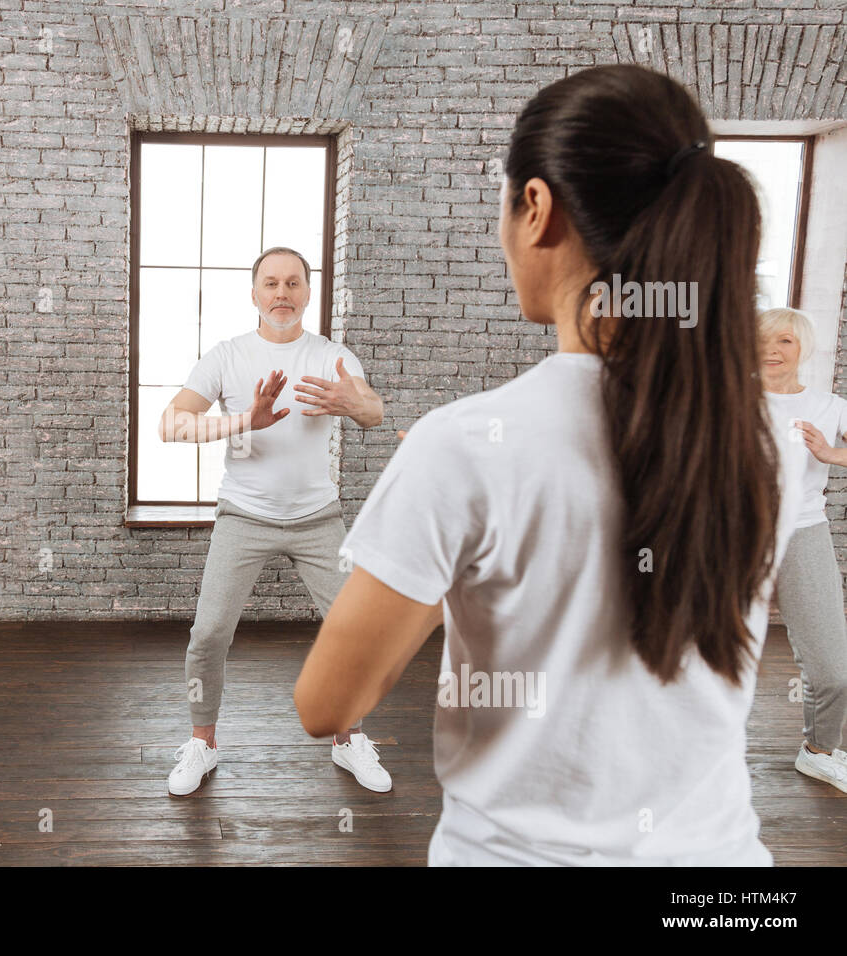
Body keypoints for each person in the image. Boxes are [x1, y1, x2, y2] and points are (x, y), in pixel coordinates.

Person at [295, 64, 805, 865]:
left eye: (503, 204)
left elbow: (327, 704)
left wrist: (443, 542)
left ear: (537, 209)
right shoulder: (763, 445)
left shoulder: (462, 446)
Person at [157, 246, 389, 796]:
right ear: (254, 293)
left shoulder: (334, 356)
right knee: (208, 633)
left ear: (308, 292)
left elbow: (375, 413)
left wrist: (351, 404)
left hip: (318, 518)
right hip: (244, 516)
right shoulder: (227, 356)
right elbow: (172, 425)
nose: (281, 293)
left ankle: (348, 739)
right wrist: (246, 421)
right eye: (270, 283)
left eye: (292, 283)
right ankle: (203, 743)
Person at [759, 306, 847, 792]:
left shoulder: (830, 407)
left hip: (803, 533)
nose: (772, 350)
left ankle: (818, 752)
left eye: (785, 341)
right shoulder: (725, 399)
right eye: (763, 340)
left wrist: (834, 454)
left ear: (803, 349)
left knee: (834, 670)